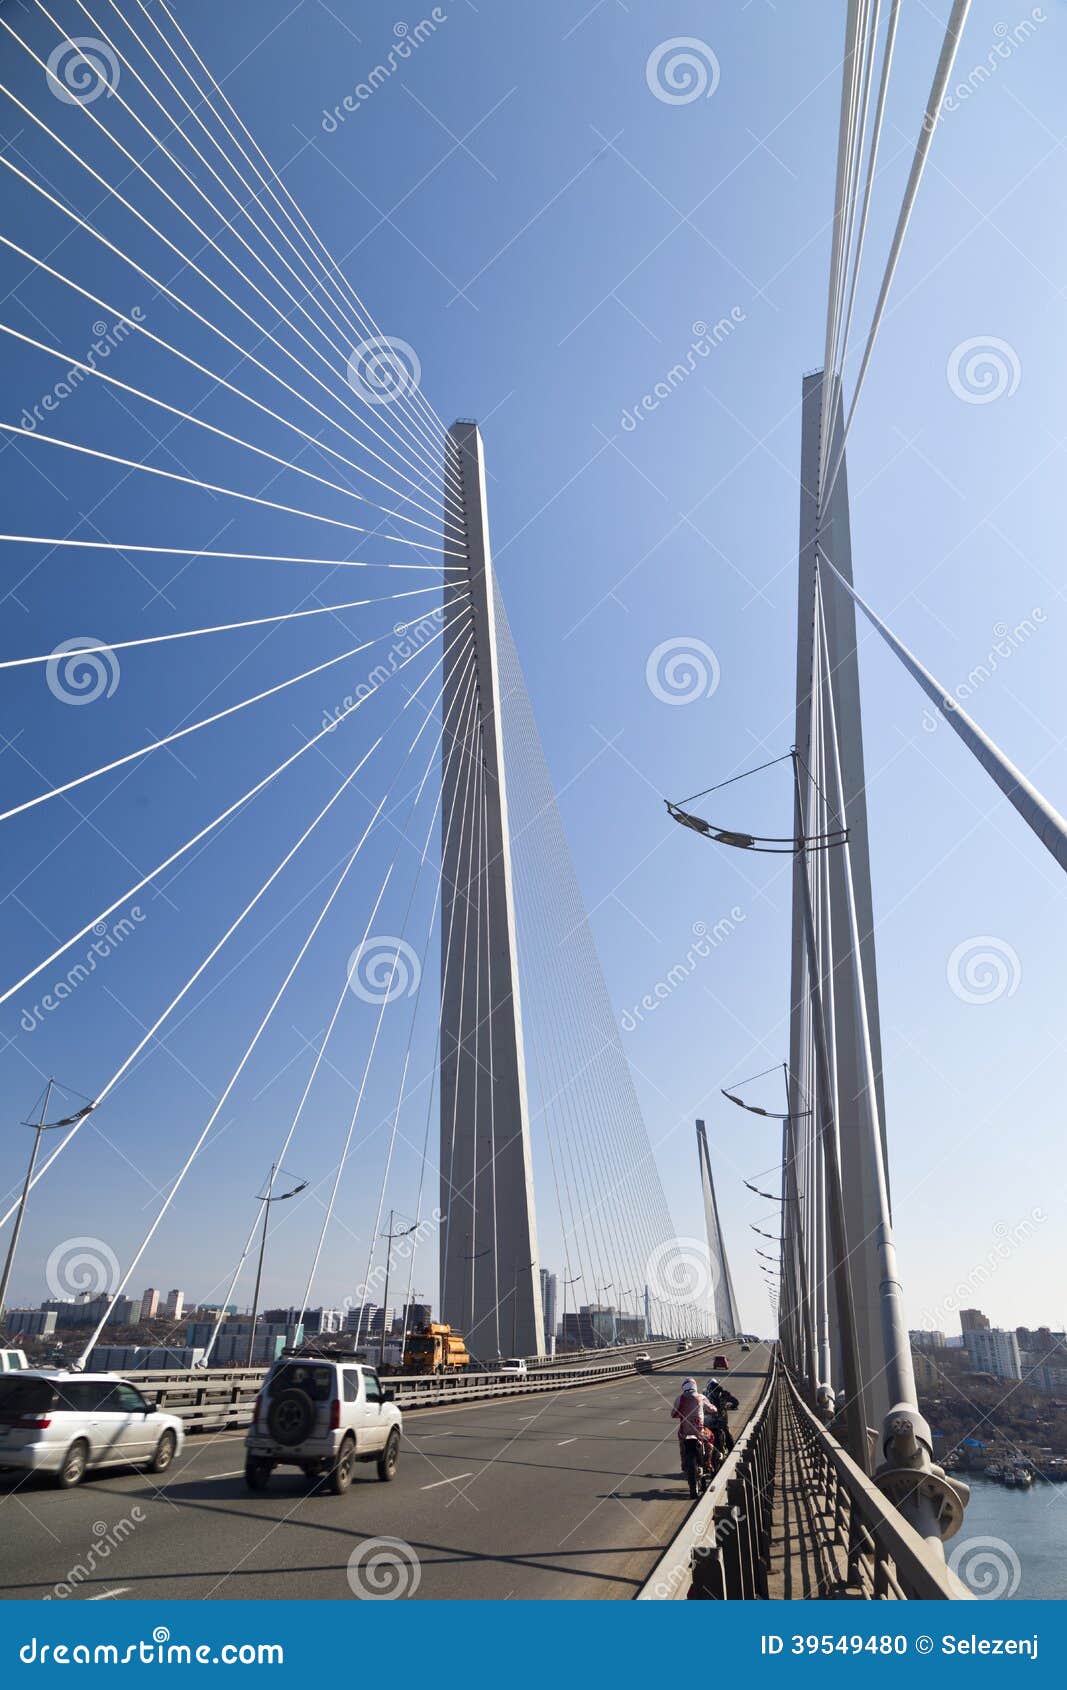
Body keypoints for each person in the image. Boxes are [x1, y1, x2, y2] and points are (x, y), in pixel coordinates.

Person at [671, 1376, 715, 1473]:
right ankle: (708, 1462)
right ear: (694, 1386)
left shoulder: (679, 1398)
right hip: (700, 1431)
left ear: (684, 1387)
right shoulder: (701, 1397)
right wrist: (714, 1409)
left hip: (684, 1432)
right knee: (711, 1438)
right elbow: (711, 1408)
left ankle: (683, 1463)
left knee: (682, 1445)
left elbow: (673, 1414)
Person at [704, 1377, 740, 1454]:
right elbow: (736, 1402)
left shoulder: (704, 1395)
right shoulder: (723, 1394)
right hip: (721, 1421)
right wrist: (730, 1407)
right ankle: (732, 1453)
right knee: (728, 1436)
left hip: (708, 1422)